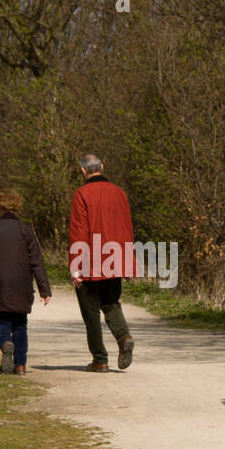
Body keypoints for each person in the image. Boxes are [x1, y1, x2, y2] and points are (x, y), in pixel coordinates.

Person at [68, 153, 136, 372]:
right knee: (111, 303)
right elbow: (126, 227)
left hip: (90, 261)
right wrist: (127, 260)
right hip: (115, 258)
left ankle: (100, 360)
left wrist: (75, 266)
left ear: (83, 171)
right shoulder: (119, 193)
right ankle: (123, 337)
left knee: (91, 312)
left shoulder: (81, 194)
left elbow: (79, 231)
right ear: (102, 167)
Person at [0, 190, 51, 375]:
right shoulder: (26, 229)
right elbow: (36, 261)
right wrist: (44, 289)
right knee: (20, 324)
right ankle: (20, 365)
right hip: (22, 284)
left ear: (0, 205)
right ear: (18, 205)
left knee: (0, 320)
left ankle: (5, 343)